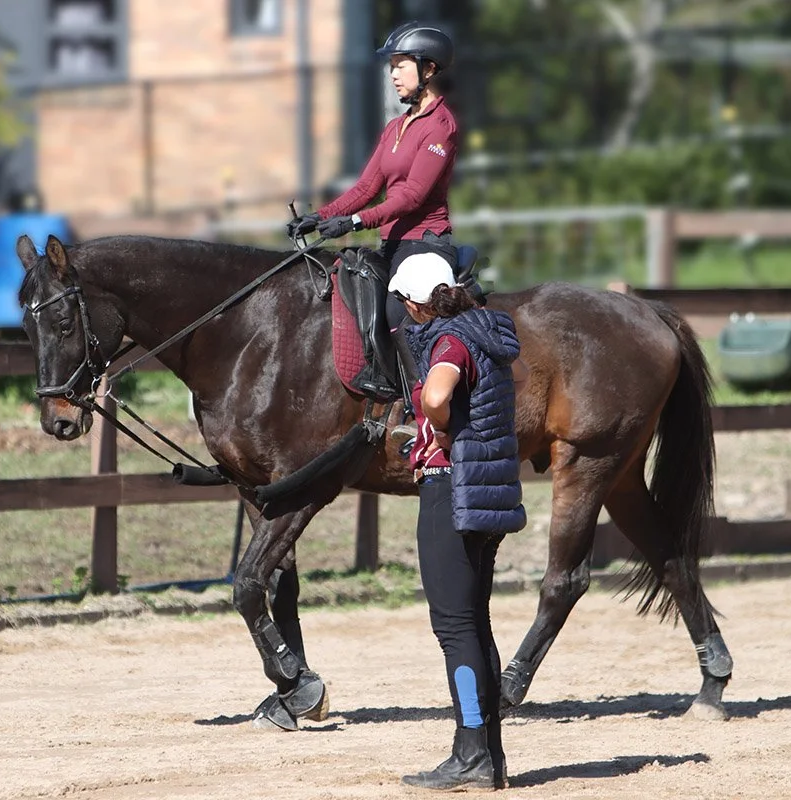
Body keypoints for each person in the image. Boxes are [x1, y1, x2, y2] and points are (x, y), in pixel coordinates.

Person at [387, 253, 526, 792]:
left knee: (454, 627)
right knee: (475, 622)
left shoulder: (448, 341)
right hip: (485, 492)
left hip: (451, 489)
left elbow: (440, 394)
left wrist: (434, 420)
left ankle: (470, 753)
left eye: (403, 303)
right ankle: (487, 753)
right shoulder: (481, 330)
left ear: (418, 304)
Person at [287, 21, 460, 434]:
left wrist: (354, 222)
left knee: (395, 309)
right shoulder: (395, 127)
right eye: (393, 66)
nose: (394, 73)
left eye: (401, 64)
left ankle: (425, 418)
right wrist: (323, 216)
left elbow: (413, 196)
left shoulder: (441, 126)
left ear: (429, 69)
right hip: (392, 244)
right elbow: (368, 186)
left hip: (424, 246)